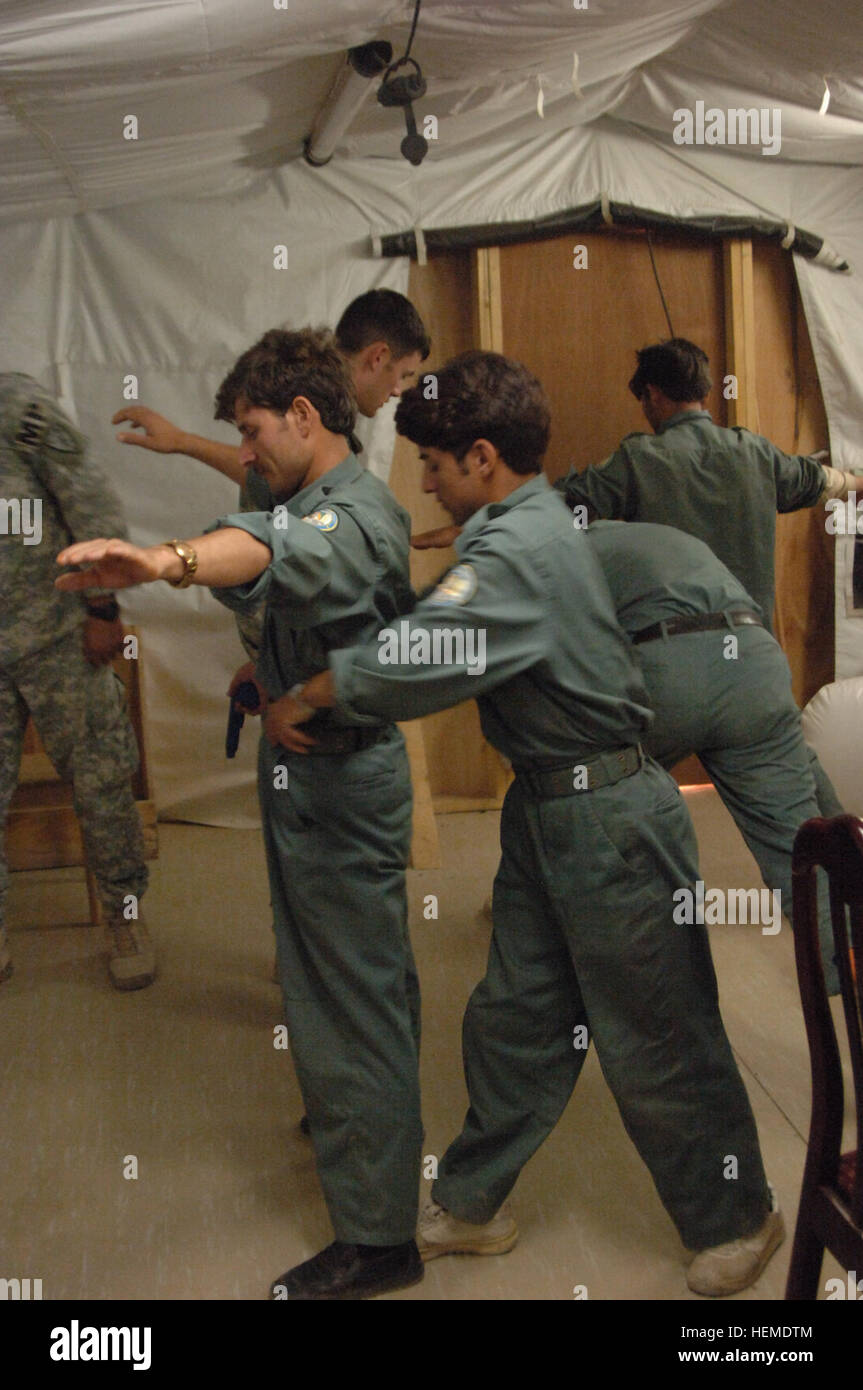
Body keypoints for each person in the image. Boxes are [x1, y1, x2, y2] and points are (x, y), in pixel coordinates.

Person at [272, 350, 784, 1298]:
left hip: (609, 822)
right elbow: (444, 622)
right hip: (550, 810)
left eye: (431, 463)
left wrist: (317, 688)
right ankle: (473, 1202)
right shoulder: (516, 531)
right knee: (515, 1018)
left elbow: (431, 651)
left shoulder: (519, 546)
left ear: (478, 456)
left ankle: (739, 1217)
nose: (422, 480)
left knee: (657, 1030)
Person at [56, 328, 424, 1301]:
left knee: (359, 994)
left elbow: (273, 545)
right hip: (300, 770)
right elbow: (264, 508)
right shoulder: (295, 483)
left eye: (255, 433)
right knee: (308, 969)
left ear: (306, 416)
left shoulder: (354, 515)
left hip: (346, 783)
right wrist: (267, 667)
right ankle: (343, 1111)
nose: (247, 454)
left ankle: (382, 1232)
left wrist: (163, 560)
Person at [557, 337, 863, 821]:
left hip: (665, 667)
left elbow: (564, 511)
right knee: (804, 814)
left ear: (653, 395)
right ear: (701, 392)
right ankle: (844, 883)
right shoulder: (755, 453)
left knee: (583, 784)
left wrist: (491, 515)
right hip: (754, 665)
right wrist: (856, 479)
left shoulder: (638, 460)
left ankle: (557, 894)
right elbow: (818, 480)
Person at [585, 518, 840, 992]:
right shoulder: (665, 537)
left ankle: (584, 941)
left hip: (668, 667)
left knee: (583, 794)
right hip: (754, 661)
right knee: (796, 840)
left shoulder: (566, 548)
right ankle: (845, 973)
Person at [0, 374, 152, 989]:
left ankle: (126, 915)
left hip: (57, 632)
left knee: (102, 779)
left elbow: (89, 505)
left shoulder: (20, 408)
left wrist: (102, 609)